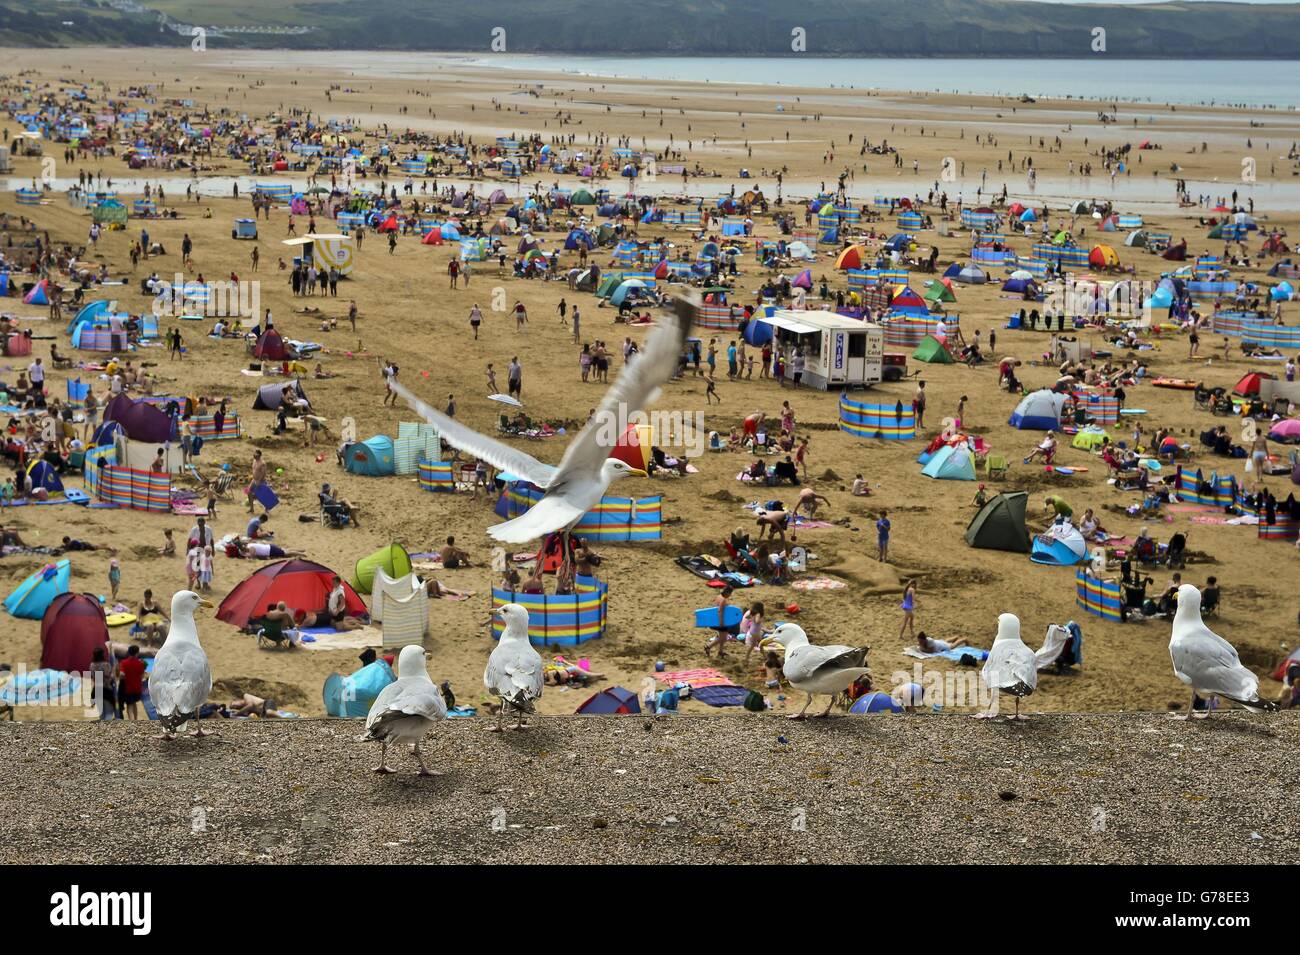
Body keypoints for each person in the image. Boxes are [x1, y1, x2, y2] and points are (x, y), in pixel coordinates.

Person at [118, 645, 146, 721]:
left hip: (128, 688)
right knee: (134, 704)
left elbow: (121, 674)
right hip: (137, 688)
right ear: (137, 653)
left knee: (129, 705)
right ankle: (136, 720)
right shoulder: (140, 663)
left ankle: (132, 721)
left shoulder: (124, 662)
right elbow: (142, 676)